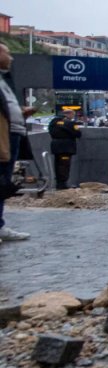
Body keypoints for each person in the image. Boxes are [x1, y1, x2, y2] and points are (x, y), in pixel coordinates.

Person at [0, 43, 34, 240]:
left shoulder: (4, 79)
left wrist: (20, 112)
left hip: (12, 133)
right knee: (1, 181)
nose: (11, 58)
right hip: (4, 136)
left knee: (4, 180)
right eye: (7, 53)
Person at [48, 108, 82, 190]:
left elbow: (51, 131)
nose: (73, 117)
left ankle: (58, 183)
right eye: (73, 115)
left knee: (57, 164)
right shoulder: (71, 123)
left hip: (56, 145)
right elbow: (78, 134)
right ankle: (62, 184)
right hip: (67, 147)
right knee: (64, 165)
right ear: (69, 114)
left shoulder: (53, 122)